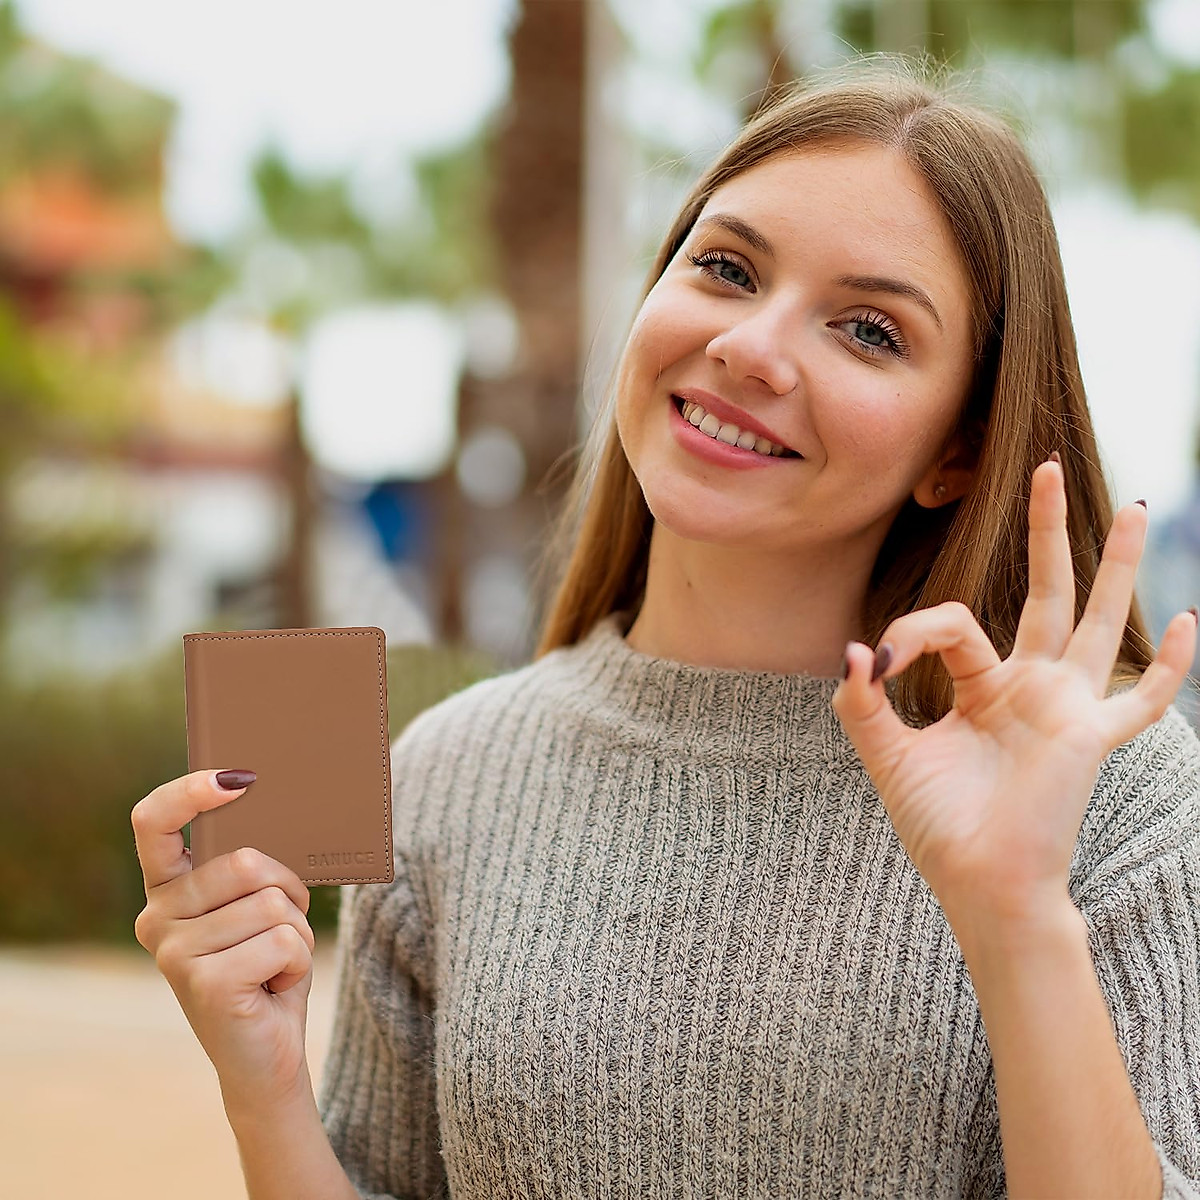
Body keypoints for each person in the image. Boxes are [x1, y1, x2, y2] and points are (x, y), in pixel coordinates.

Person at [131, 59, 1200, 1199]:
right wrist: (265, 1091)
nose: (750, 347)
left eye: (869, 330)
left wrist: (1020, 918)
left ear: (960, 451)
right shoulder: (450, 775)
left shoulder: (1109, 794)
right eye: (728, 268)